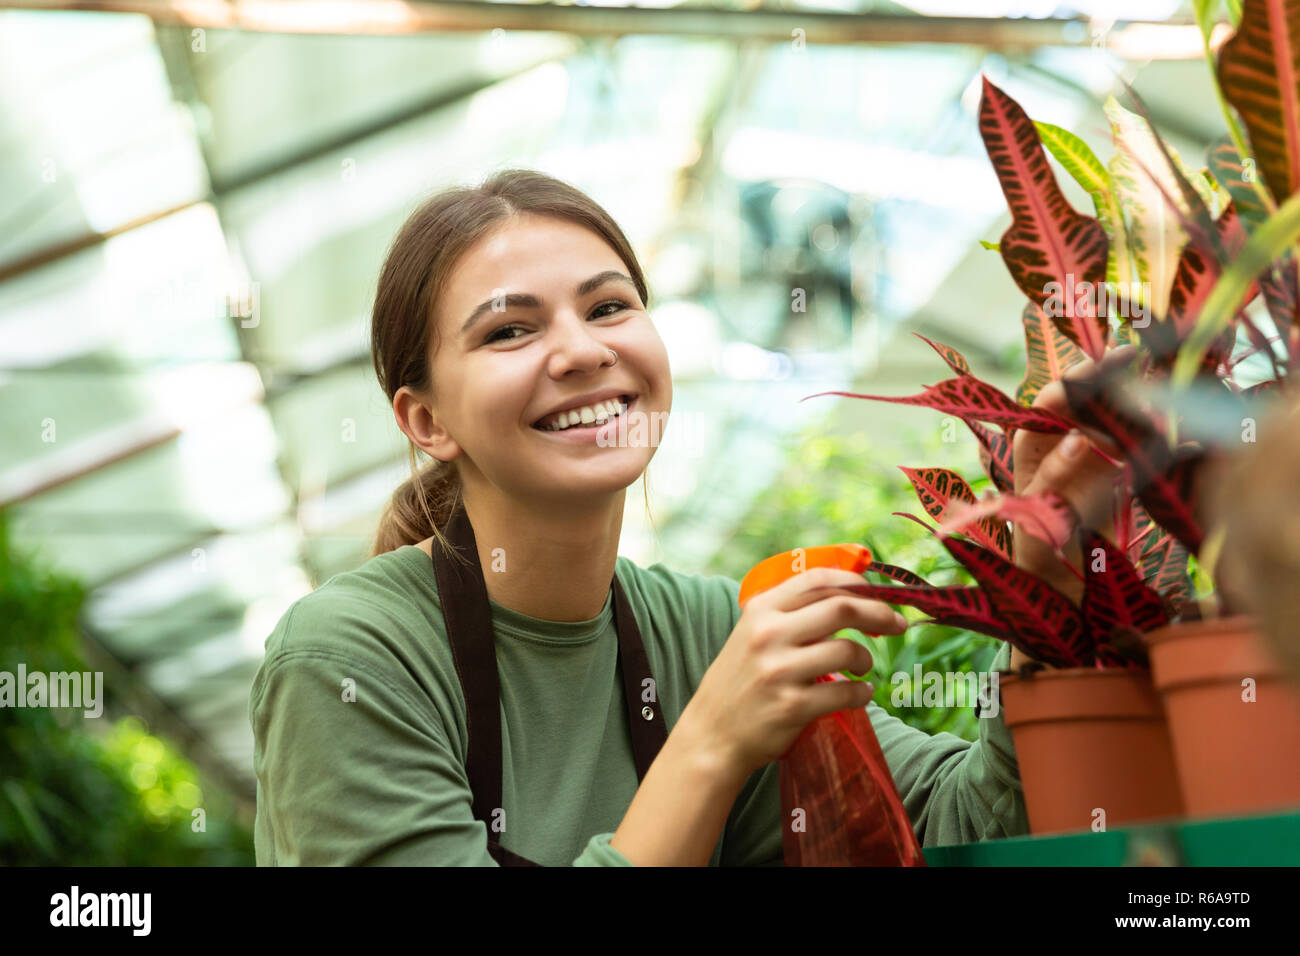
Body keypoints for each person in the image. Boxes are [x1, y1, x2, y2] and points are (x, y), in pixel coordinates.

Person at [248, 169, 1116, 866]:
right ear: (426, 422)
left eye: (608, 307)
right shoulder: (347, 659)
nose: (584, 350)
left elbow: (961, 827)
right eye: (510, 331)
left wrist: (1042, 588)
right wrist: (711, 742)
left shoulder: (706, 629)